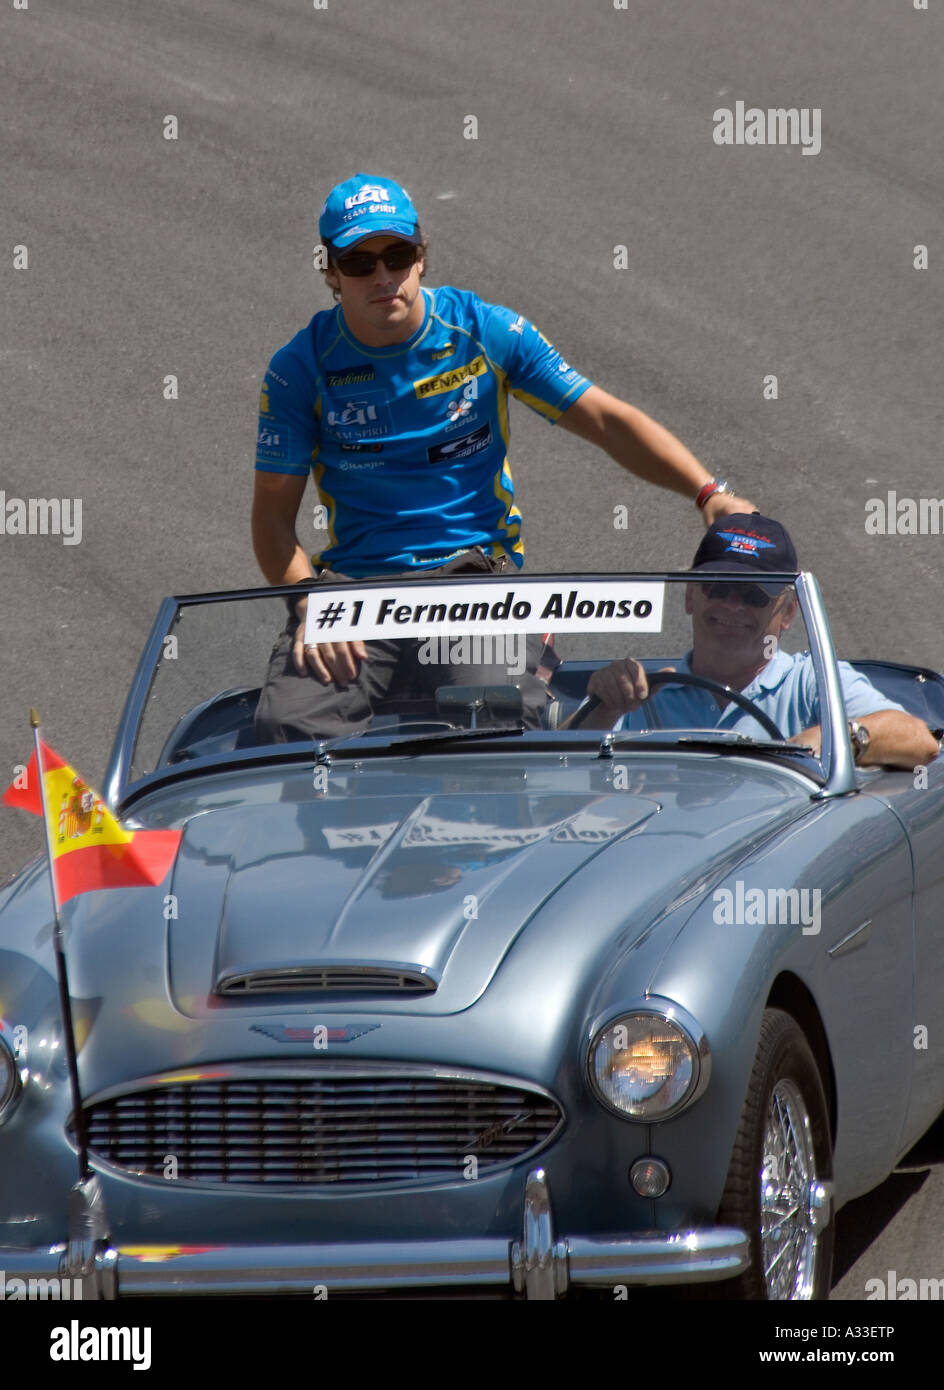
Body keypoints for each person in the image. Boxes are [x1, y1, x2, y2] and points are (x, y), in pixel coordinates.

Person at [252, 172, 758, 742]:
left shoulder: (486, 333)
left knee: (497, 722)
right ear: (331, 272)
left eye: (397, 254)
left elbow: (606, 420)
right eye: (360, 263)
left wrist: (709, 493)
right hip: (355, 590)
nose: (384, 276)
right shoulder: (300, 368)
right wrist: (314, 603)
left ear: (421, 257)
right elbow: (272, 522)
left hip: (474, 584)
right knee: (284, 730)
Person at [571, 514, 939, 769]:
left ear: (789, 613)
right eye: (719, 587)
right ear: (689, 597)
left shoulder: (810, 682)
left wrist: (834, 738)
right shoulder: (643, 694)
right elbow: (561, 771)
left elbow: (919, 740)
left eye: (755, 595)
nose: (733, 604)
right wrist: (603, 707)